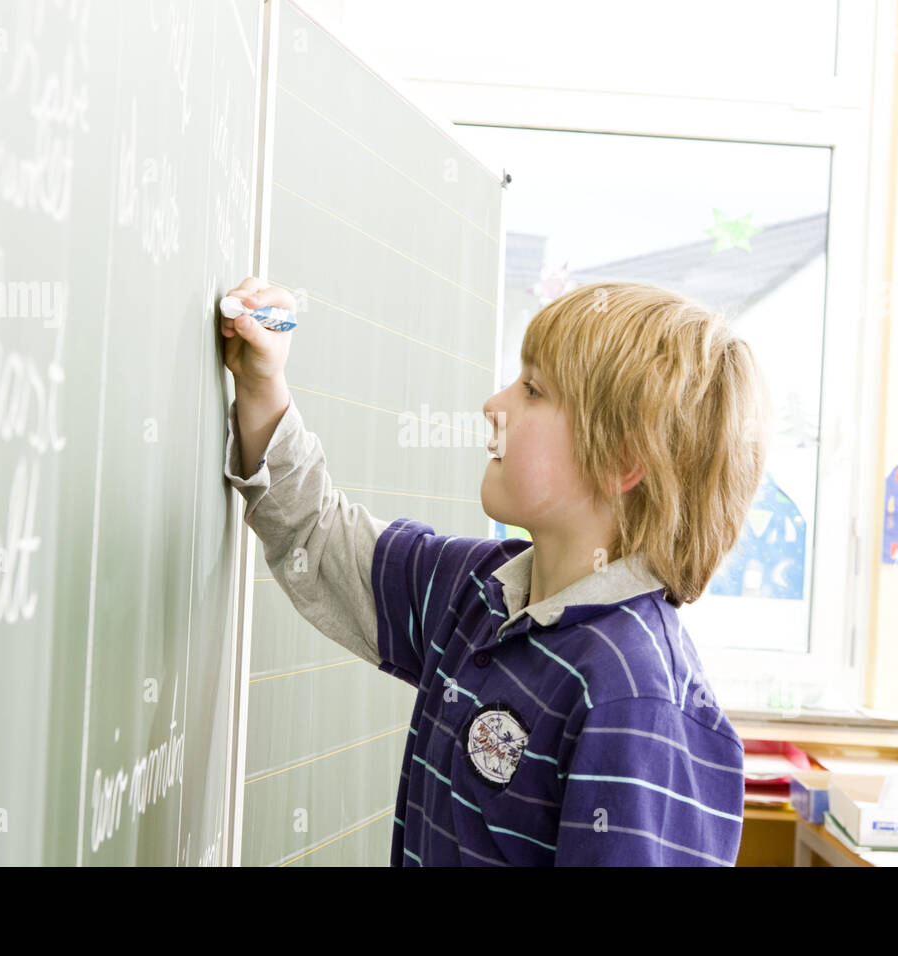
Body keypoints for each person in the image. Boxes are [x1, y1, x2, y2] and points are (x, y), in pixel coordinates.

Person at [220, 276, 771, 866]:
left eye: (532, 390)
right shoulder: (479, 592)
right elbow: (316, 534)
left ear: (621, 461)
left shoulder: (638, 700)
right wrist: (262, 383)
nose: (494, 405)